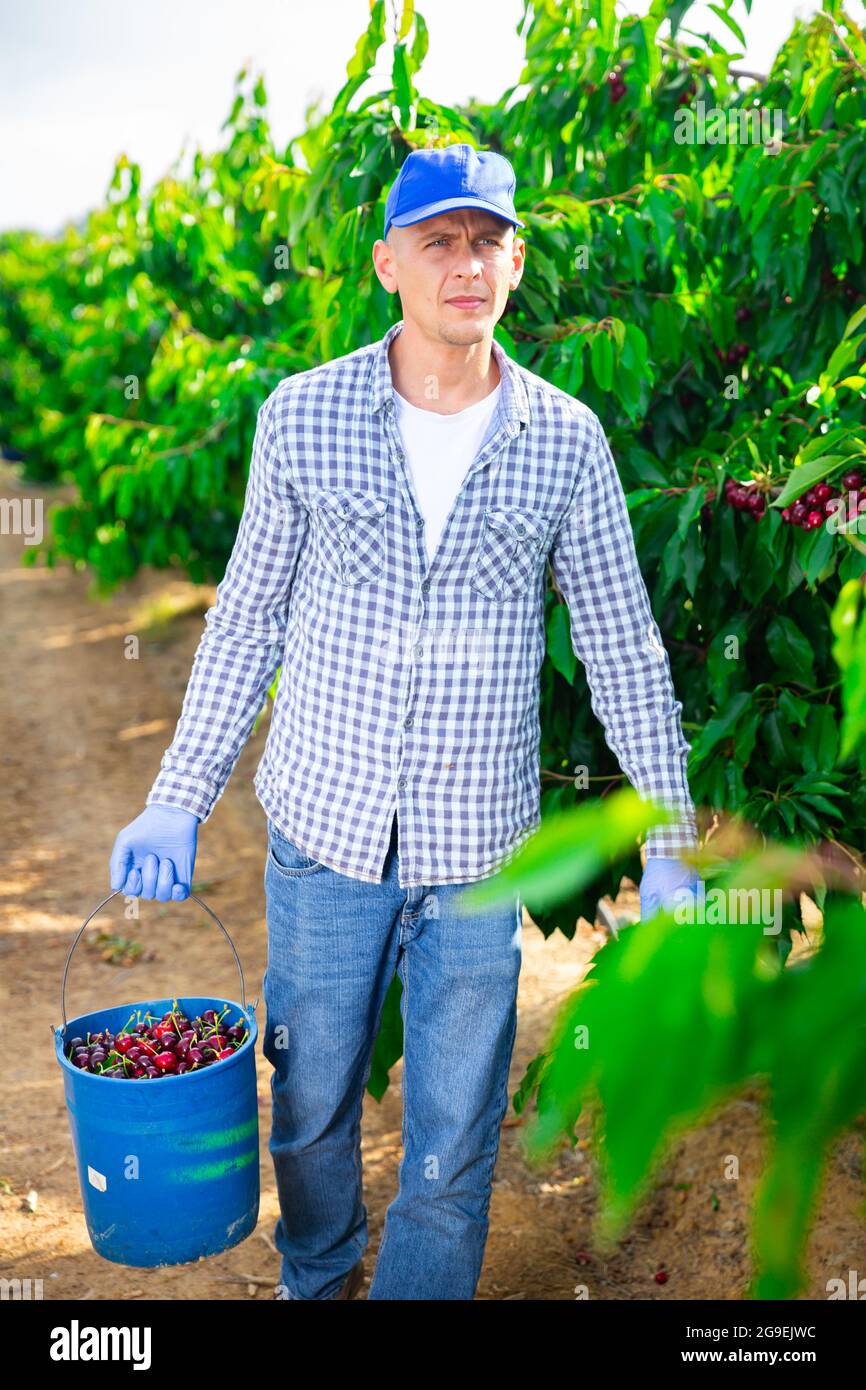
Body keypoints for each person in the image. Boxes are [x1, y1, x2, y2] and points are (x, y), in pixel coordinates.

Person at [109, 143, 700, 1300]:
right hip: (324, 832)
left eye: (487, 240)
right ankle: (315, 1276)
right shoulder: (302, 415)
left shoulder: (564, 439)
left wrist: (670, 827)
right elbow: (247, 622)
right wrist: (177, 792)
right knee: (312, 1105)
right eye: (438, 240)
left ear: (515, 264)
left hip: (478, 850)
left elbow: (624, 648)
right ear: (388, 262)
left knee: (452, 1131)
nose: (464, 263)